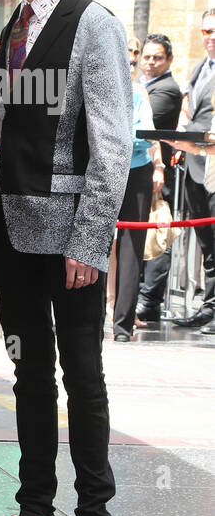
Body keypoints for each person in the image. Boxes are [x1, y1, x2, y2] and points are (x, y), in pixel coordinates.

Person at [0, 0, 134, 516]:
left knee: (85, 375)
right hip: (9, 227)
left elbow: (112, 140)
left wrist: (90, 241)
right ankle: (36, 512)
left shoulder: (92, 23)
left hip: (68, 238)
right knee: (27, 372)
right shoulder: (13, 26)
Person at [167, 9, 215, 331]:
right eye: (206, 31)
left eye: (214, 31)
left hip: (210, 161)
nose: (209, 37)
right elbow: (192, 109)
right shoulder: (200, 69)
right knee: (207, 244)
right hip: (195, 165)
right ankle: (210, 306)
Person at [111, 60, 163, 341]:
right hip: (103, 170)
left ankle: (123, 325)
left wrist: (118, 139)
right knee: (94, 243)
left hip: (136, 171)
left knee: (132, 249)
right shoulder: (97, 88)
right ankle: (91, 321)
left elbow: (147, 135)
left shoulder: (138, 94)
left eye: (132, 61)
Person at [135, 33, 183, 323]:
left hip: (157, 173)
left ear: (168, 60)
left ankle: (149, 300)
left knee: (157, 235)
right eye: (147, 56)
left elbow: (145, 125)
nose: (150, 62)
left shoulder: (165, 90)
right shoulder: (143, 87)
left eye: (157, 57)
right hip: (144, 170)